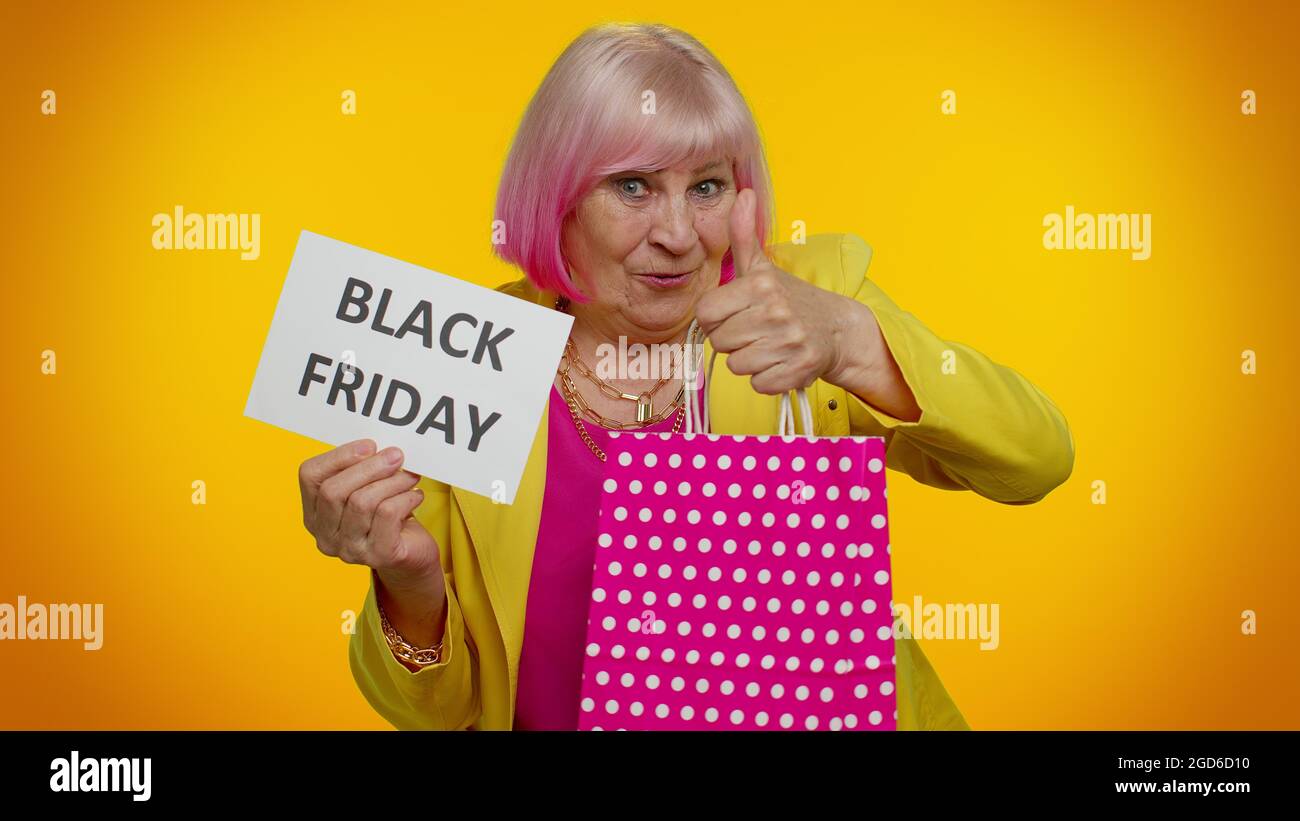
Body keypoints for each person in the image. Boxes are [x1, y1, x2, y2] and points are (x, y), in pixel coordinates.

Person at [297, 22, 1074, 730]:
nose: (677, 235)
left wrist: (852, 340)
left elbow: (1037, 459)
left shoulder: (809, 299)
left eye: (705, 186)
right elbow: (437, 714)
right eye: (632, 186)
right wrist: (410, 584)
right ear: (557, 197)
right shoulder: (461, 354)